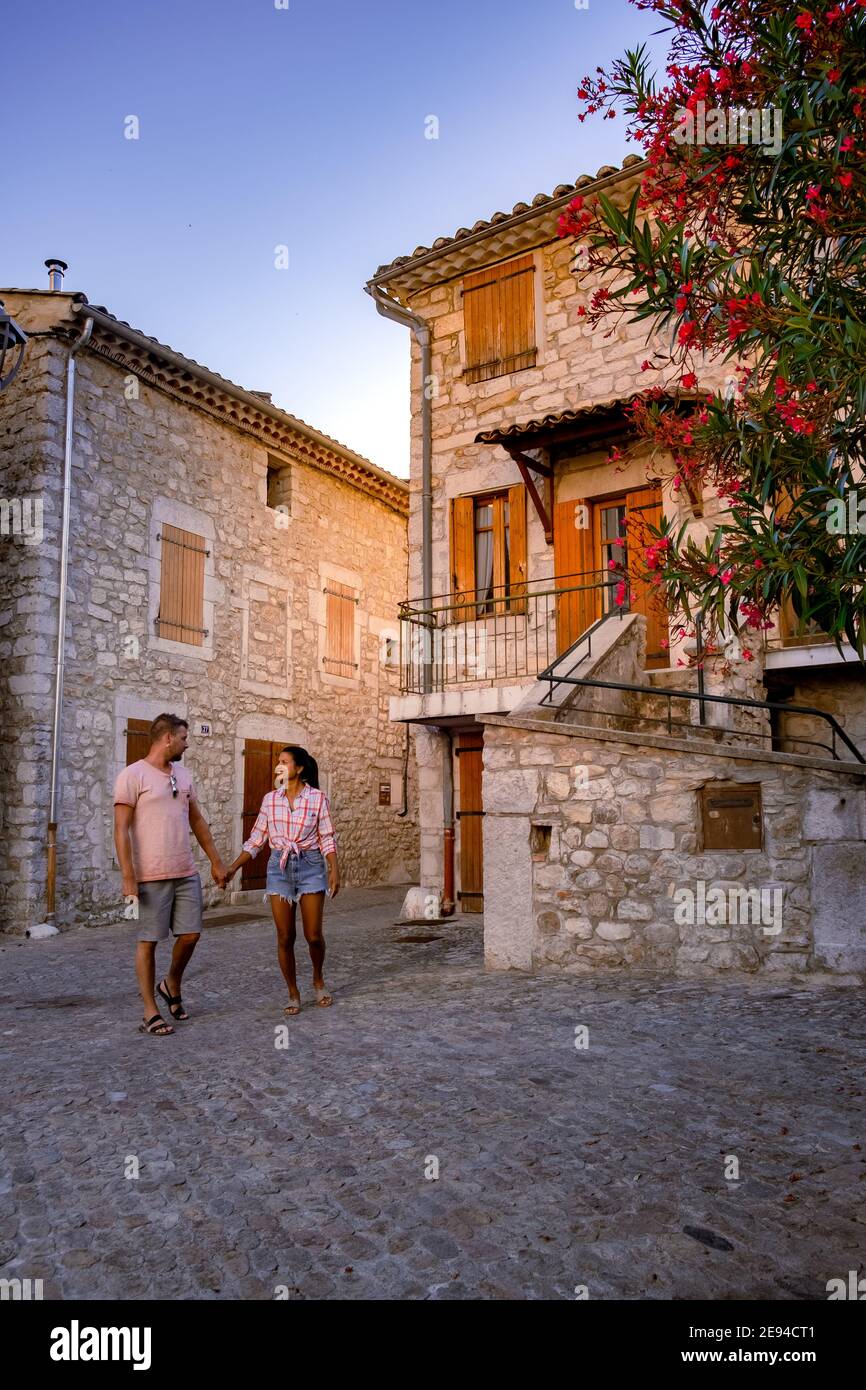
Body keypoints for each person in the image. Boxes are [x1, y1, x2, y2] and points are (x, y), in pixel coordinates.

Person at [113, 713, 228, 1036]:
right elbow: (120, 830)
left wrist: (216, 862)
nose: (186, 744)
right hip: (150, 875)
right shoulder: (132, 776)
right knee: (148, 941)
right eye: (183, 738)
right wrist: (127, 876)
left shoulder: (184, 775)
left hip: (185, 870)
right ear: (167, 738)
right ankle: (150, 1010)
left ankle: (172, 982)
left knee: (191, 934)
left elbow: (198, 822)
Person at [224, 745, 339, 1015]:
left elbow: (327, 837)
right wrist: (233, 868)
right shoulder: (270, 800)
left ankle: (318, 980)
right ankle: (293, 992)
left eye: (284, 762)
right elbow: (256, 840)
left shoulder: (317, 798)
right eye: (278, 762)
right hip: (279, 867)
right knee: (285, 936)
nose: (279, 766)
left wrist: (334, 869)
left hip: (311, 866)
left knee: (313, 935)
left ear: (298, 768)